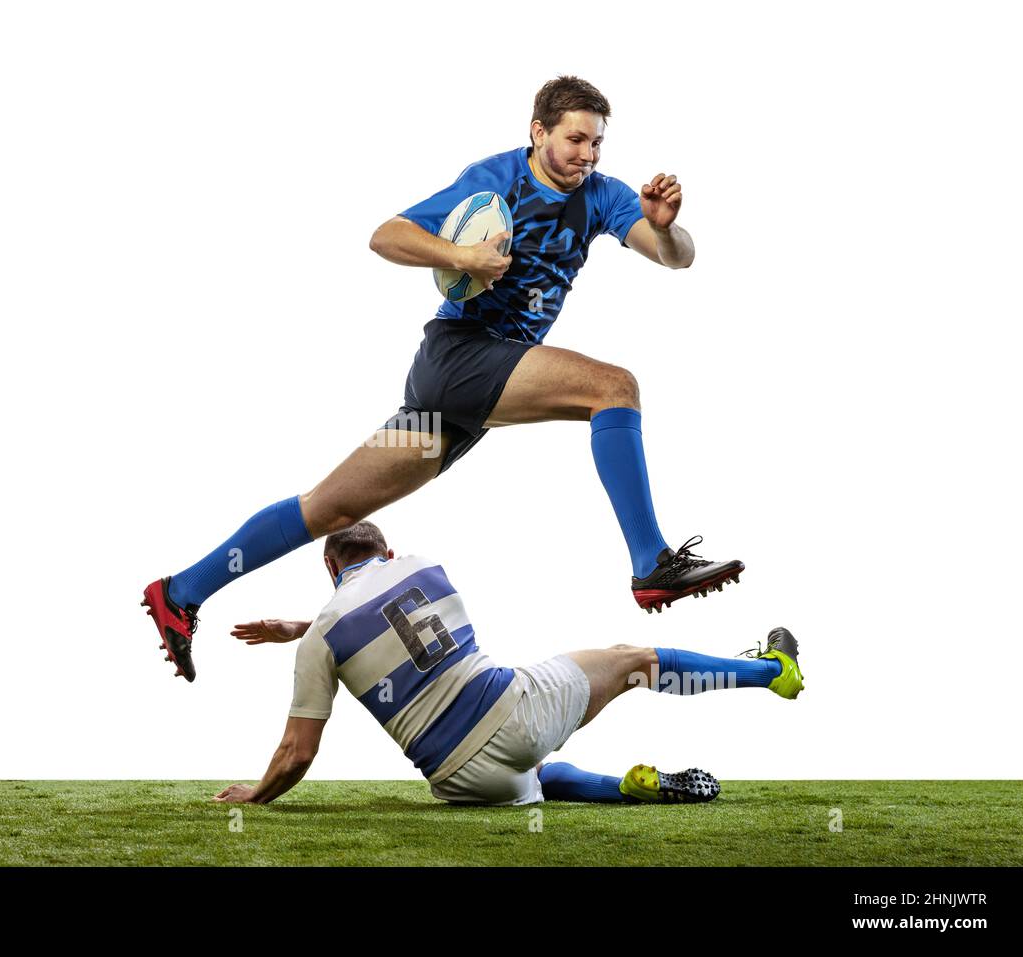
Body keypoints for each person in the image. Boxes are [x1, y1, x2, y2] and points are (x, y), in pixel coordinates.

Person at [144, 75, 743, 683]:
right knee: (613, 388)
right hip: (459, 357)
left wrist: (663, 227)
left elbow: (677, 256)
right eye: (575, 140)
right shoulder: (497, 179)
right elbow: (386, 236)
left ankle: (181, 592)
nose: (587, 154)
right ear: (538, 132)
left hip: (473, 392)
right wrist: (462, 256)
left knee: (327, 508)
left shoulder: (604, 195)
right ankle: (651, 562)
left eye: (597, 143)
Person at [211, 522, 803, 806]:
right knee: (636, 660)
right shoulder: (422, 566)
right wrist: (306, 627)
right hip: (514, 713)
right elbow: (394, 616)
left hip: (457, 777)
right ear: (387, 552)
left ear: (328, 569)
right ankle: (775, 672)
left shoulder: (322, 637)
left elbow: (298, 754)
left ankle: (624, 789)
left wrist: (256, 795)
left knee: (539, 776)